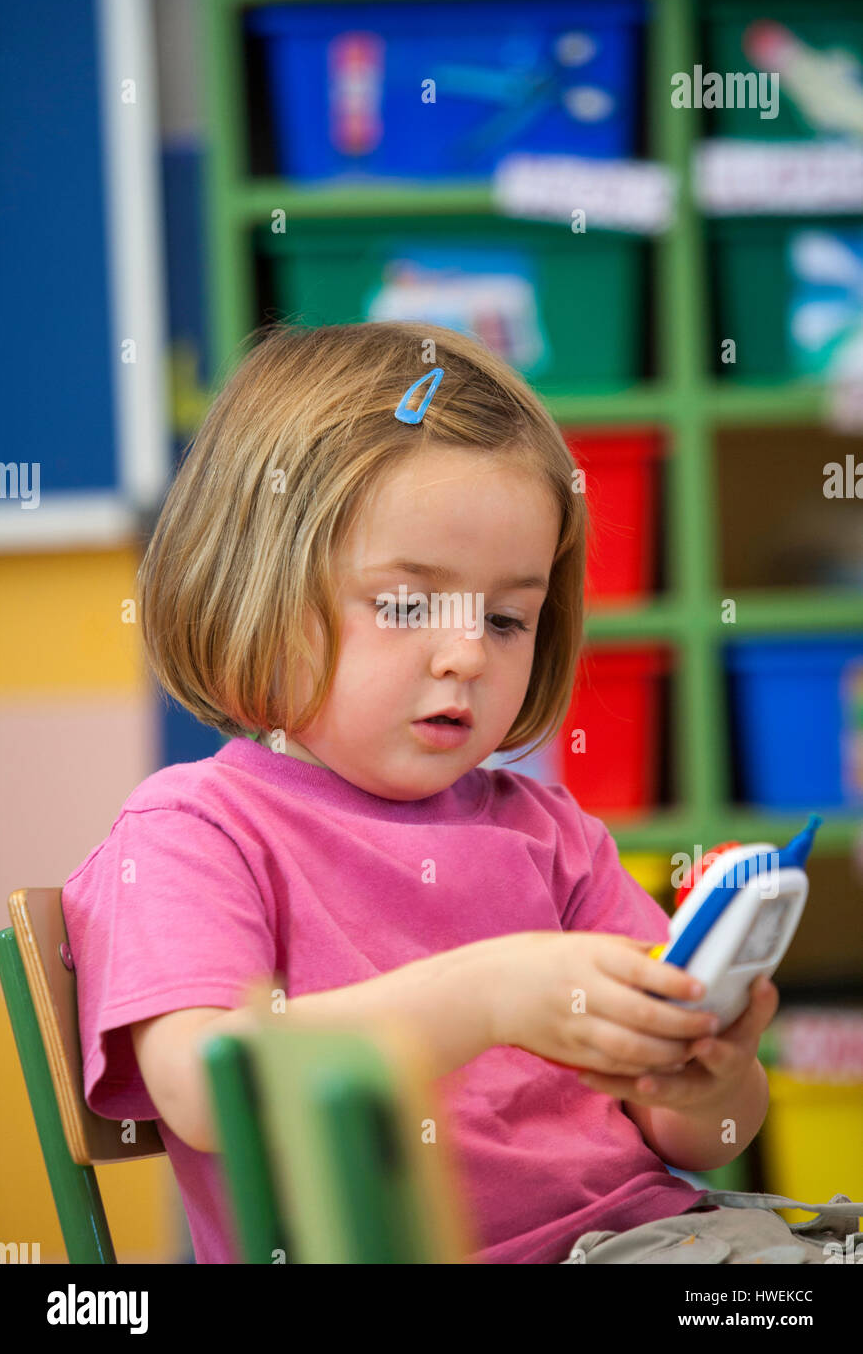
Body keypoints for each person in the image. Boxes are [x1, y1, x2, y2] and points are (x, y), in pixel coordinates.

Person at [62, 319, 863, 1265]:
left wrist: (704, 1084)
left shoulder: (551, 832)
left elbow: (699, 1145)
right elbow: (211, 1085)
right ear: (255, 593)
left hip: (660, 1235)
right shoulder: (192, 833)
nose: (468, 653)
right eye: (407, 605)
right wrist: (483, 999)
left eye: (507, 616)